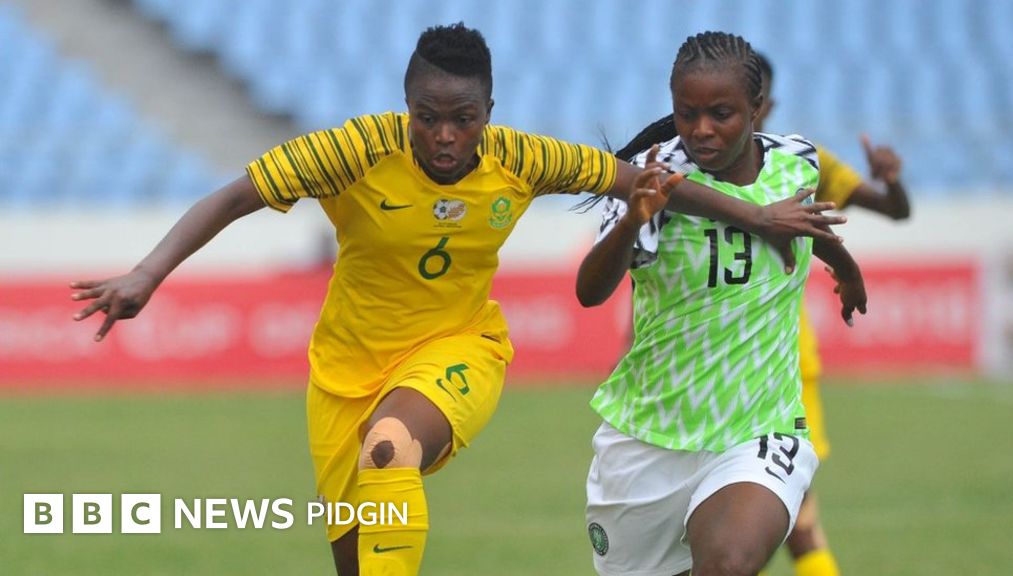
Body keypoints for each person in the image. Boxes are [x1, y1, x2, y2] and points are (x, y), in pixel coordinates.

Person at [69, 24, 845, 576]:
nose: (445, 136)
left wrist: (758, 215)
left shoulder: (519, 159)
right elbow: (236, 195)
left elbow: (645, 183)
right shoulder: (354, 150)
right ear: (407, 108)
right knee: (361, 548)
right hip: (343, 370)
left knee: (389, 450)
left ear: (488, 115)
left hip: (459, 353)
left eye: (463, 119)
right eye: (429, 118)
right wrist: (148, 273)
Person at [577, 31, 867, 576]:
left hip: (759, 427)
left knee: (729, 563)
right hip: (649, 437)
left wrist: (845, 267)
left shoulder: (796, 160)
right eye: (687, 113)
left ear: (758, 108)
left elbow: (798, 219)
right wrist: (631, 225)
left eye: (721, 113)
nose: (701, 129)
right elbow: (589, 292)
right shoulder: (651, 175)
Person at [755, 51, 910, 576]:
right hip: (706, 361)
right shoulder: (693, 169)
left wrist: (892, 183)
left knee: (796, 521)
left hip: (781, 361)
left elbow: (894, 210)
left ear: (764, 103)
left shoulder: (803, 161)